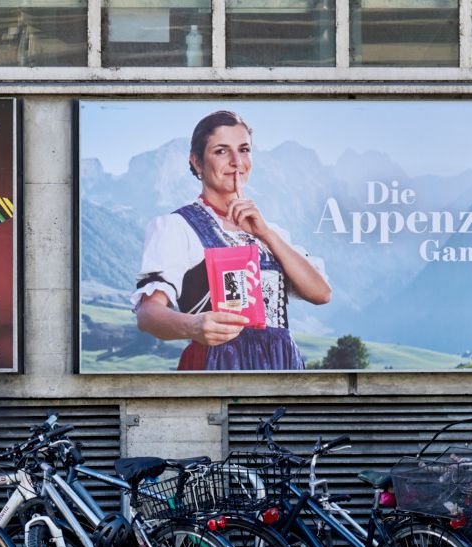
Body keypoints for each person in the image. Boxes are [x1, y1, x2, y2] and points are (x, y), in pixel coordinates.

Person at [132, 110, 332, 371]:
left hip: (283, 366)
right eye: (221, 151)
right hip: (218, 365)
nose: (237, 161)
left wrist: (265, 234)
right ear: (197, 162)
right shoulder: (178, 227)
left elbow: (321, 293)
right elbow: (148, 315)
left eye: (244, 149)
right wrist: (192, 326)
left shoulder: (272, 233)